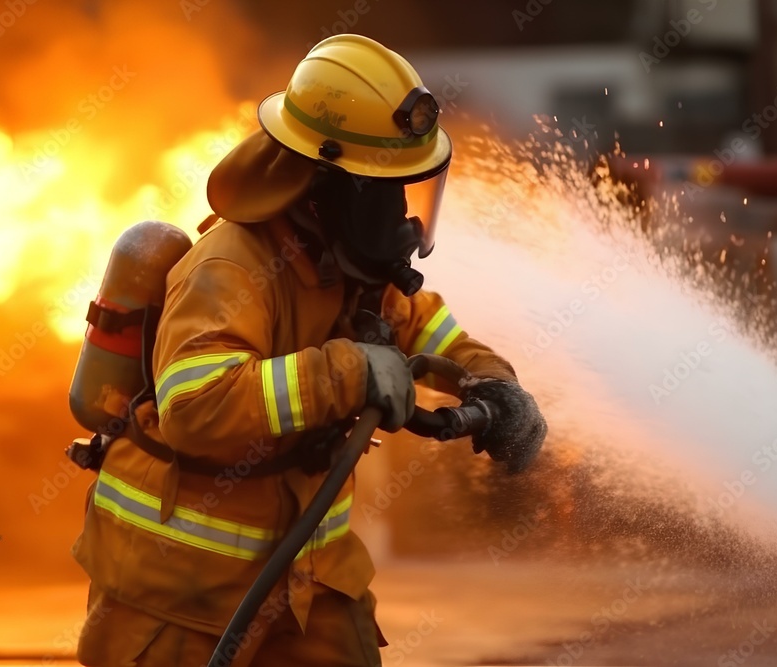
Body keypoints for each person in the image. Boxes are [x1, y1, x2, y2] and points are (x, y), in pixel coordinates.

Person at [72, 33, 546, 666]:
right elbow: (194, 403)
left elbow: (440, 339)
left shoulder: (357, 271)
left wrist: (494, 385)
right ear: (324, 185)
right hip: (180, 593)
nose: (404, 218)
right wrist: (350, 372)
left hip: (309, 580)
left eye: (411, 190)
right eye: (384, 192)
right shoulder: (230, 267)